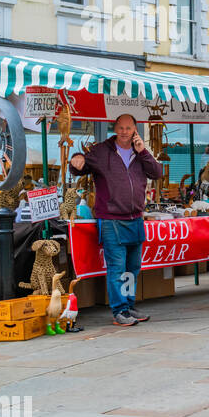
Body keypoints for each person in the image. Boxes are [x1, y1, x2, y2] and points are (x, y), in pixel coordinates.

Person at [67, 114, 164, 327]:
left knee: (132, 268)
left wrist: (143, 152)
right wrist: (76, 158)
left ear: (135, 130)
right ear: (115, 128)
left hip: (135, 218)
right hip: (111, 220)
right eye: (120, 128)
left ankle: (128, 306)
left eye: (129, 128)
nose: (124, 132)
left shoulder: (141, 154)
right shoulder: (102, 151)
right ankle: (119, 310)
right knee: (117, 268)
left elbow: (157, 172)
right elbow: (79, 165)